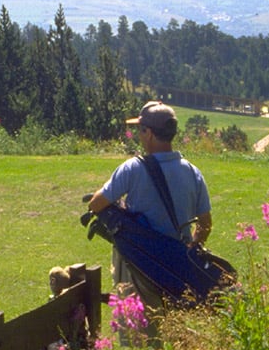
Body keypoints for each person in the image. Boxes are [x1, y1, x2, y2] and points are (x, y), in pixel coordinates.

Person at [87, 101, 212, 304]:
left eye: (141, 130)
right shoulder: (192, 172)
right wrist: (190, 251)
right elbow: (205, 224)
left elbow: (96, 204)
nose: (139, 135)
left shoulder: (132, 168)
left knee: (134, 330)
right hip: (177, 271)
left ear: (150, 134)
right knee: (173, 329)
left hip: (137, 265)